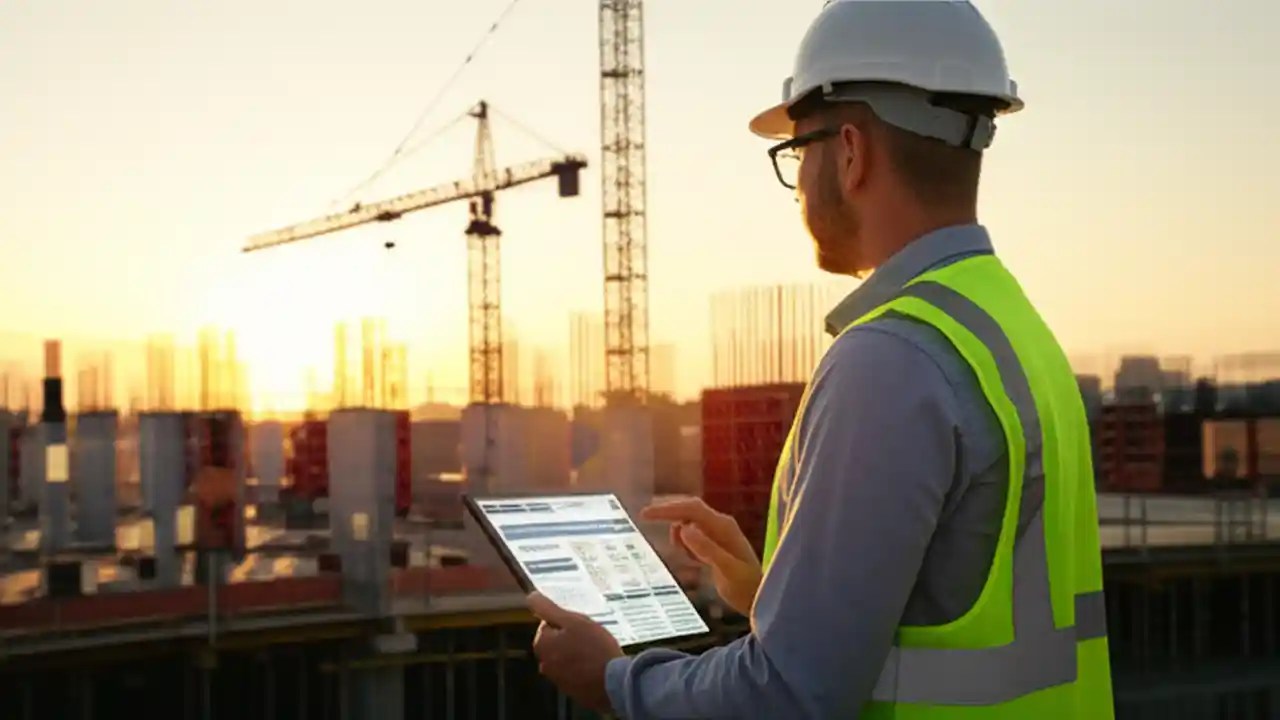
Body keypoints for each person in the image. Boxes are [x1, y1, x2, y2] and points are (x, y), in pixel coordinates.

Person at [527, 1, 1115, 717]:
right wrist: (771, 591)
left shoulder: (890, 361)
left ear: (849, 152)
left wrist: (614, 681)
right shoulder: (1010, 329)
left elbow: (788, 696)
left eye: (796, 153)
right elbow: (961, 592)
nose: (799, 182)